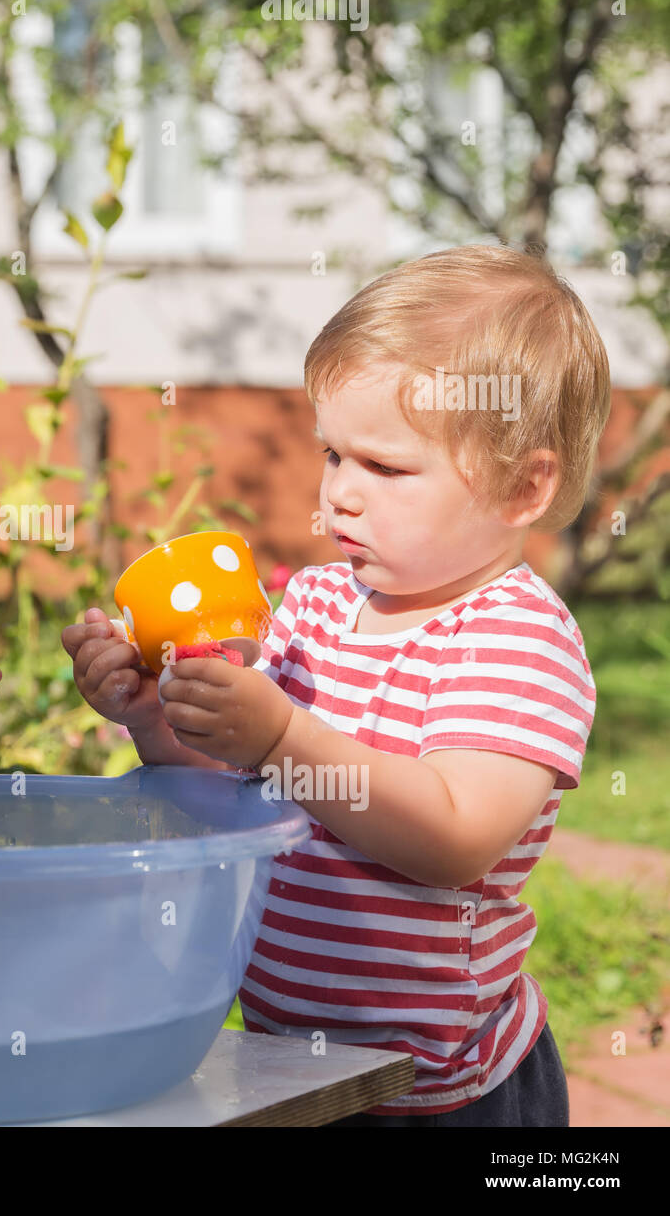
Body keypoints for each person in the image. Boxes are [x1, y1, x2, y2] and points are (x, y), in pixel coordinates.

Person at [63, 244, 611, 1125]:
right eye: (333, 455)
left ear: (522, 486)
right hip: (290, 1060)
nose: (341, 497)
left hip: (442, 1091)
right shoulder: (316, 603)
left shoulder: (515, 636)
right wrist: (159, 721)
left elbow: (456, 836)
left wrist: (283, 736)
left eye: (386, 468)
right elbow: (236, 794)